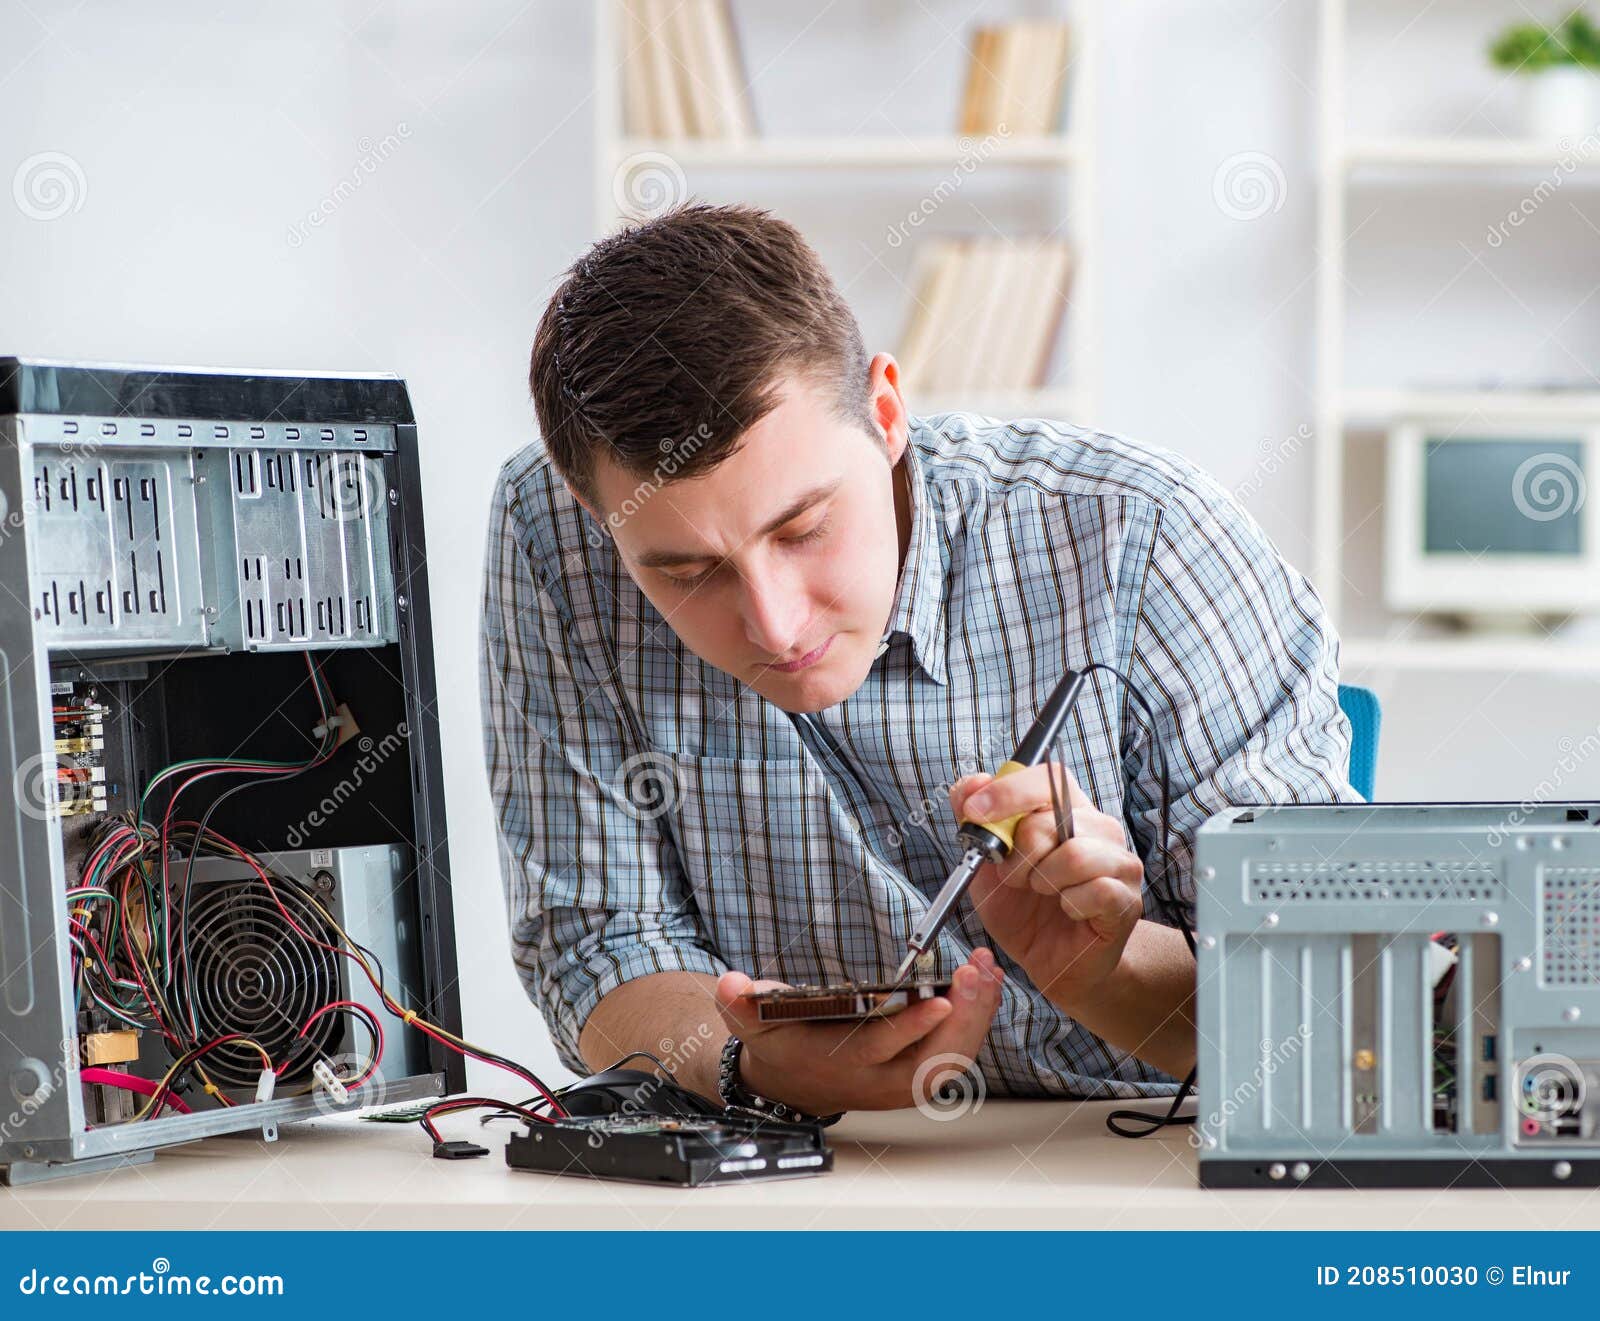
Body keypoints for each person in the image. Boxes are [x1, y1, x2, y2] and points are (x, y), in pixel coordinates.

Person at [480, 202, 1359, 1121]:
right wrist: (746, 1064)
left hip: (1129, 1164)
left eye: (805, 526)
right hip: (794, 1180)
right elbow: (596, 942)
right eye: (688, 571)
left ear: (887, 411)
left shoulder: (1143, 534)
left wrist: (1106, 971)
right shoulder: (556, 538)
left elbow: (1337, 1005)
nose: (776, 627)